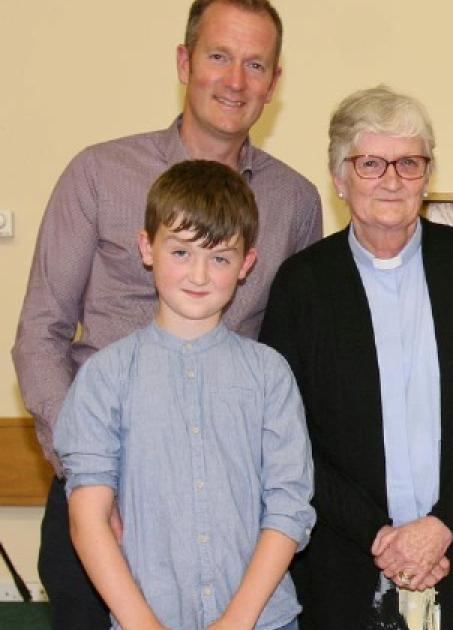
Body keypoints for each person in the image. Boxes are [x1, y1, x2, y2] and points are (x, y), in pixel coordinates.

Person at [11, 1, 322, 626]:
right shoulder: (98, 173)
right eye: (217, 56)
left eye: (255, 64)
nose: (235, 80)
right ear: (184, 62)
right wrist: (89, 476)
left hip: (233, 509)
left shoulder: (295, 200)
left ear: (274, 83)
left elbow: (298, 345)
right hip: (104, 486)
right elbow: (40, 334)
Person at [259, 86, 453, 629]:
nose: (391, 179)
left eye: (409, 162)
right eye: (370, 163)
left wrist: (441, 527)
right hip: (345, 560)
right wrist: (379, 537)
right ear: (339, 177)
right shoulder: (302, 285)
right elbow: (285, 432)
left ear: (427, 176)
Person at [53, 160, 315, 630]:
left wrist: (235, 622)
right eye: (181, 252)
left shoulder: (269, 374)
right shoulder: (105, 376)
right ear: (146, 248)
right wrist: (142, 624)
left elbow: (289, 507)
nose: (199, 274)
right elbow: (88, 520)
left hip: (262, 621)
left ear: (246, 265)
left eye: (219, 257)